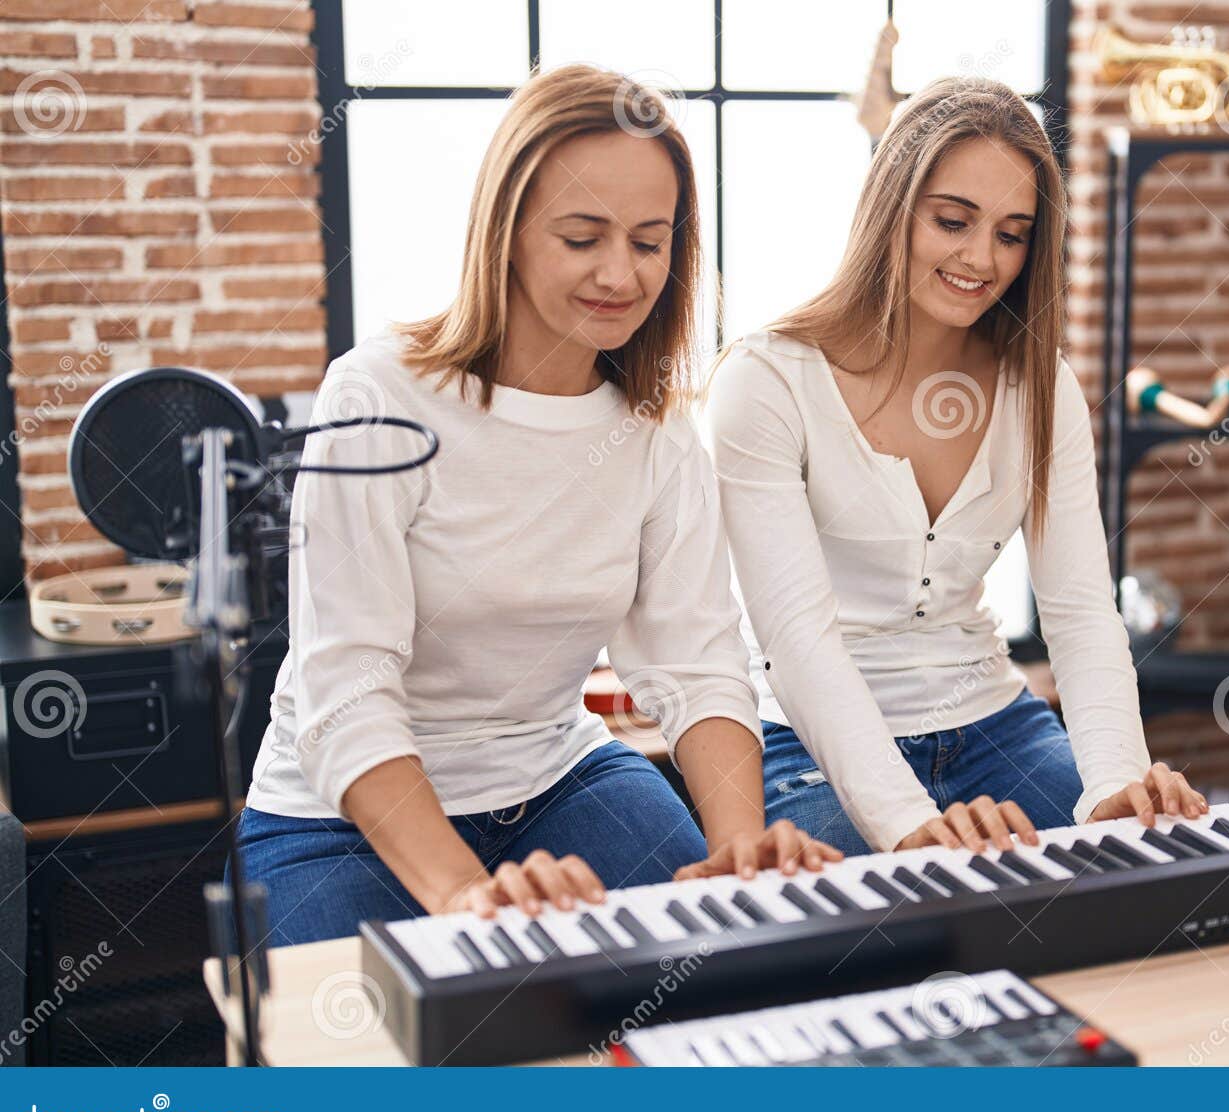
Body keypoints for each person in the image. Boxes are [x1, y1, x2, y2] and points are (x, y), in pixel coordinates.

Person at [236, 65, 838, 948]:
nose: (621, 274)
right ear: (507, 232)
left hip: (559, 781)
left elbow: (697, 659)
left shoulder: (657, 427)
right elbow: (346, 690)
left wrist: (740, 845)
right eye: (582, 237)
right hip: (339, 817)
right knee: (411, 1019)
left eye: (649, 242)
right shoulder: (377, 396)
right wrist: (462, 893)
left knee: (716, 961)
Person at [707, 77, 1207, 859]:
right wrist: (907, 822)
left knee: (1129, 862)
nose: (982, 258)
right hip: (808, 743)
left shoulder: (1042, 388)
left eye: (1012, 233)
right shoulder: (766, 382)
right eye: (952, 221)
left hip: (996, 728)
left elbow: (1080, 610)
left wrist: (1115, 780)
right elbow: (798, 641)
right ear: (892, 208)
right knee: (880, 910)